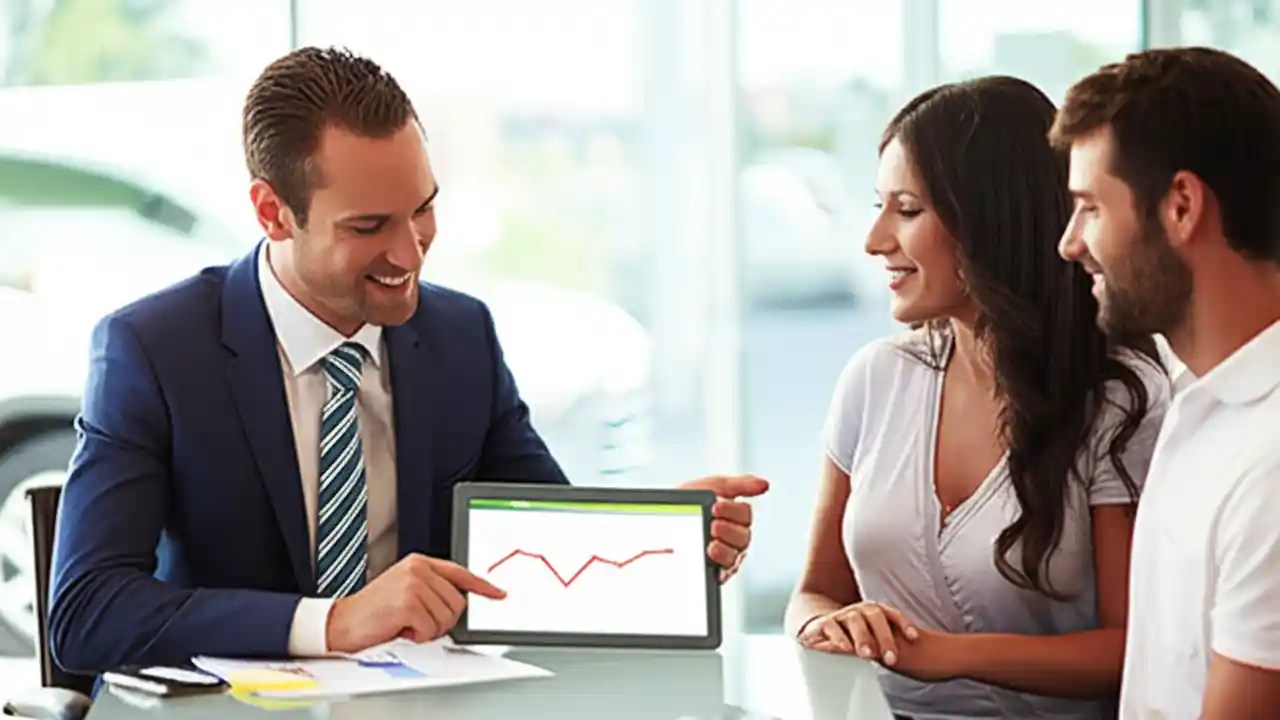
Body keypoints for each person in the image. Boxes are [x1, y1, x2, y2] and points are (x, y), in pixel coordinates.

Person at [48, 46, 768, 673]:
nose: (410, 252)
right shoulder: (155, 349)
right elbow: (87, 612)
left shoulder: (460, 336)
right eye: (369, 226)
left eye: (422, 209)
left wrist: (666, 545)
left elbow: (547, 554)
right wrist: (334, 624)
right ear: (273, 213)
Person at [783, 76, 1170, 718]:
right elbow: (814, 593)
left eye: (907, 210)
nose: (875, 239)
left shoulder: (1119, 400)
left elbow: (1132, 648)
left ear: (989, 221)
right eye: (879, 206)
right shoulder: (875, 379)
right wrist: (829, 624)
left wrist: (951, 655)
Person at [1051, 46, 1280, 719]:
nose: (1070, 243)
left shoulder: (1270, 465)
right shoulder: (1200, 396)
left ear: (1181, 205)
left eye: (1090, 208)